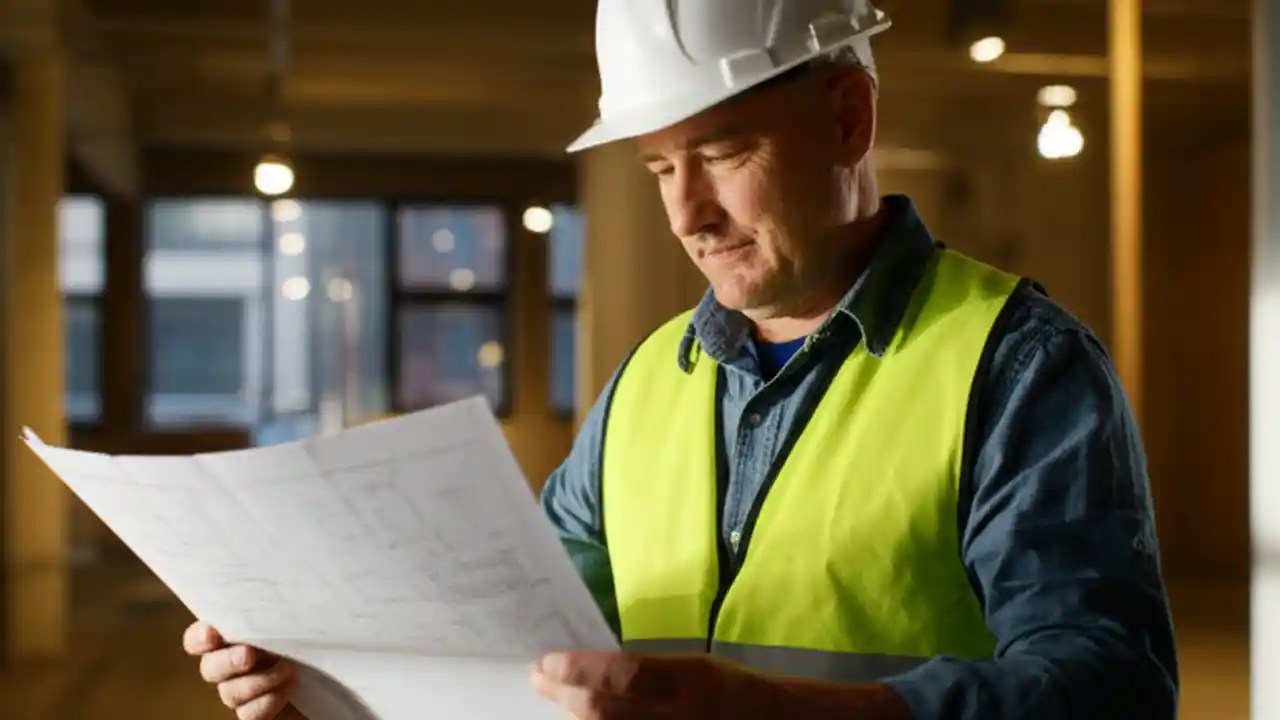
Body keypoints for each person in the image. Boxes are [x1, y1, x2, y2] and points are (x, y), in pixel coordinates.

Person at [185, 1, 1179, 718]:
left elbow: (1109, 688)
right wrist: (335, 682)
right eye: (660, 167)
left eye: (723, 153)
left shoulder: (1015, 366)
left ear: (846, 118)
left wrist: (788, 716)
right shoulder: (648, 382)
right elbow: (521, 662)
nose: (687, 215)